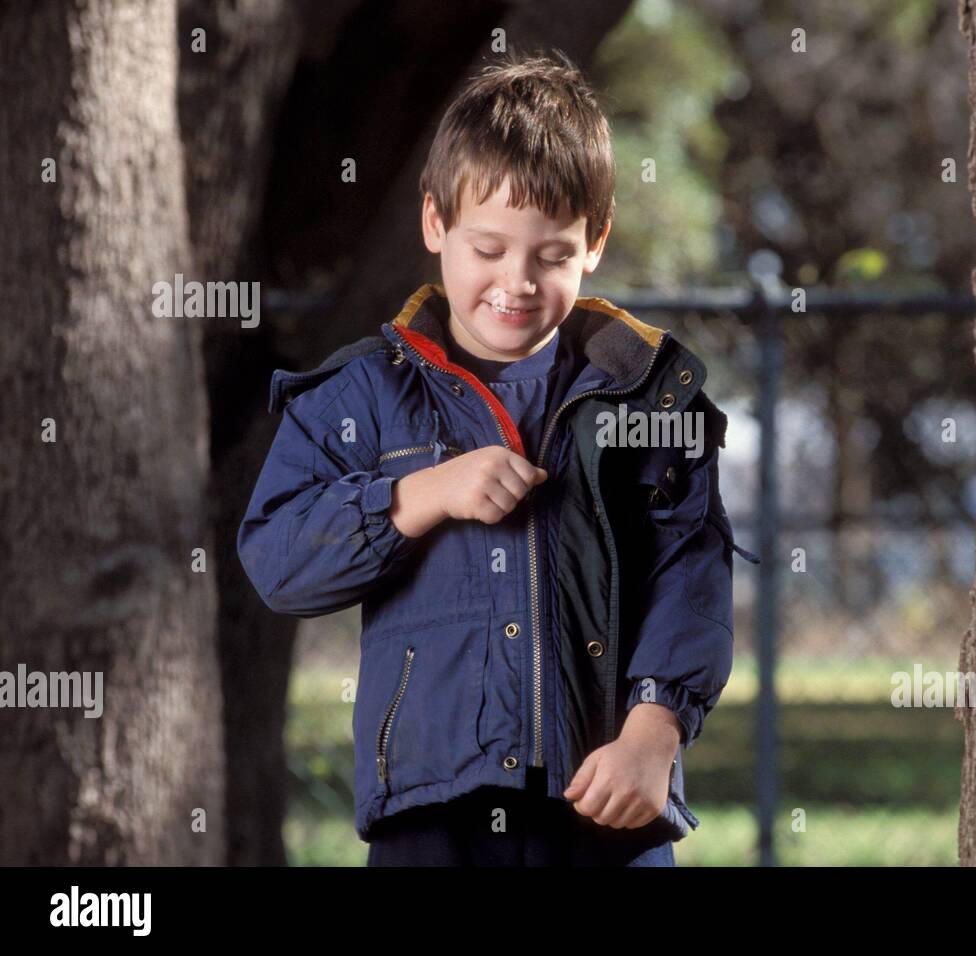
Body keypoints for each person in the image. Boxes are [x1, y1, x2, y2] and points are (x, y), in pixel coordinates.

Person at [237, 49, 757, 867]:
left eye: (550, 255)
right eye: (487, 248)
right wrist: (420, 495)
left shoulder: (650, 397)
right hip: (431, 819)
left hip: (607, 806)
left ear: (595, 242)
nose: (515, 282)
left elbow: (691, 577)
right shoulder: (364, 395)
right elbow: (278, 560)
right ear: (435, 223)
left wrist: (654, 735)